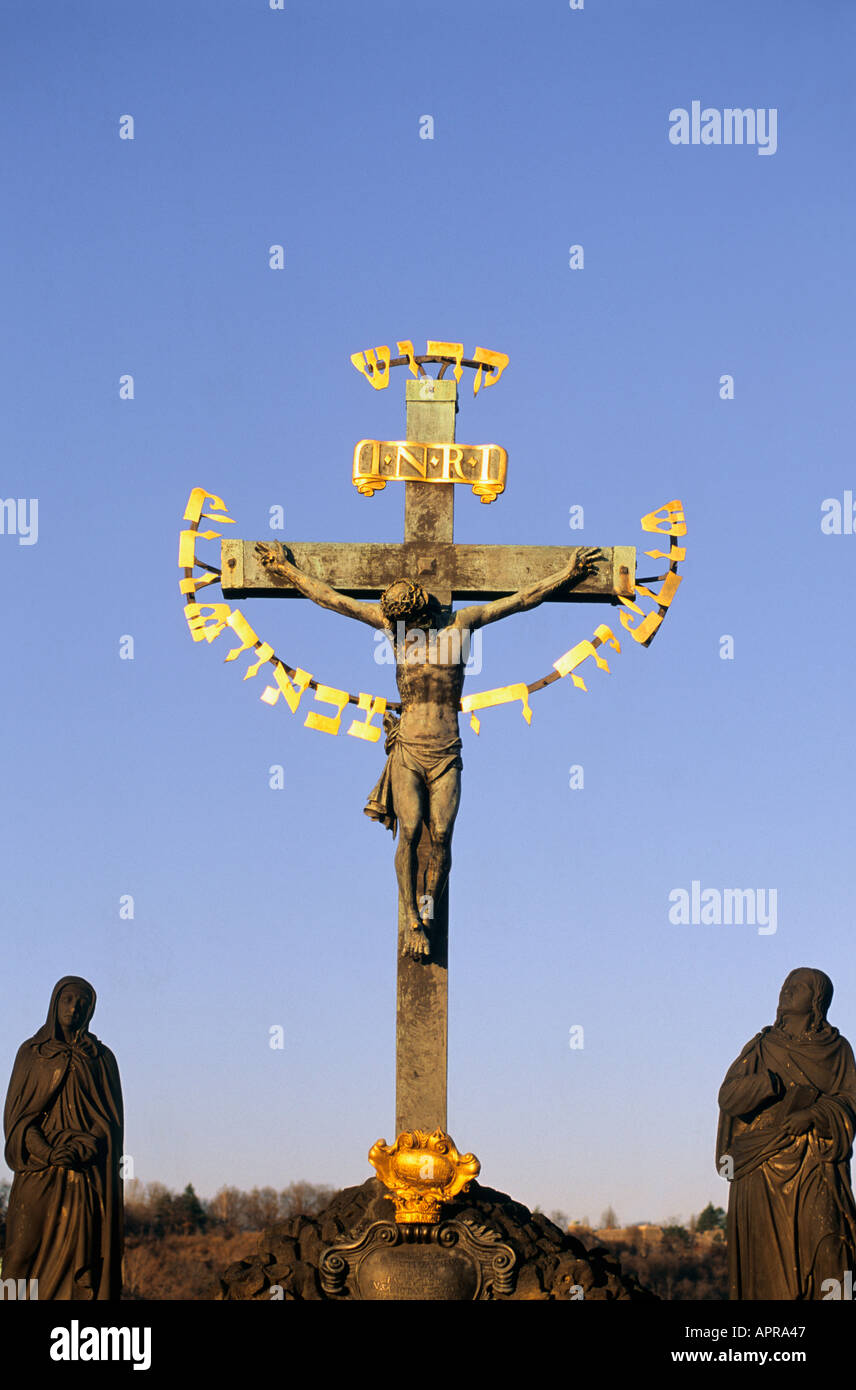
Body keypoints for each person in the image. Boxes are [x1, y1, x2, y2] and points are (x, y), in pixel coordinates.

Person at [256, 542, 601, 957]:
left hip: (446, 749)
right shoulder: (396, 631)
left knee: (440, 836)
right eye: (398, 622)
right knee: (411, 831)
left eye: (409, 619)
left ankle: (427, 911)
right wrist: (286, 571)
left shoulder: (462, 626)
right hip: (408, 749)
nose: (404, 628)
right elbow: (334, 600)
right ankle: (413, 922)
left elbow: (522, 599)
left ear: (423, 611)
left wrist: (567, 575)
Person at [716, 967, 856, 1299]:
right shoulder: (762, 1047)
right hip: (761, 1166)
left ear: (817, 1000)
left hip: (815, 1165)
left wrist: (815, 1114)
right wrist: (765, 1084)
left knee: (830, 1247)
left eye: (798, 986)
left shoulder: (837, 1050)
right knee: (765, 1272)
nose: (787, 990)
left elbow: (851, 1103)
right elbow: (728, 1097)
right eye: (786, 985)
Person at [3, 977, 124, 1300]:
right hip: (37, 1170)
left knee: (81, 1266)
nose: (74, 1008)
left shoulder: (101, 1059)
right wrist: (46, 1150)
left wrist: (83, 1146)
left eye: (82, 1002)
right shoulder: (32, 1054)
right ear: (54, 1003)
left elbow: (110, 1124)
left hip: (83, 1175)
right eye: (67, 999)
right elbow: (17, 1121)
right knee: (18, 1257)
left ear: (90, 1010)